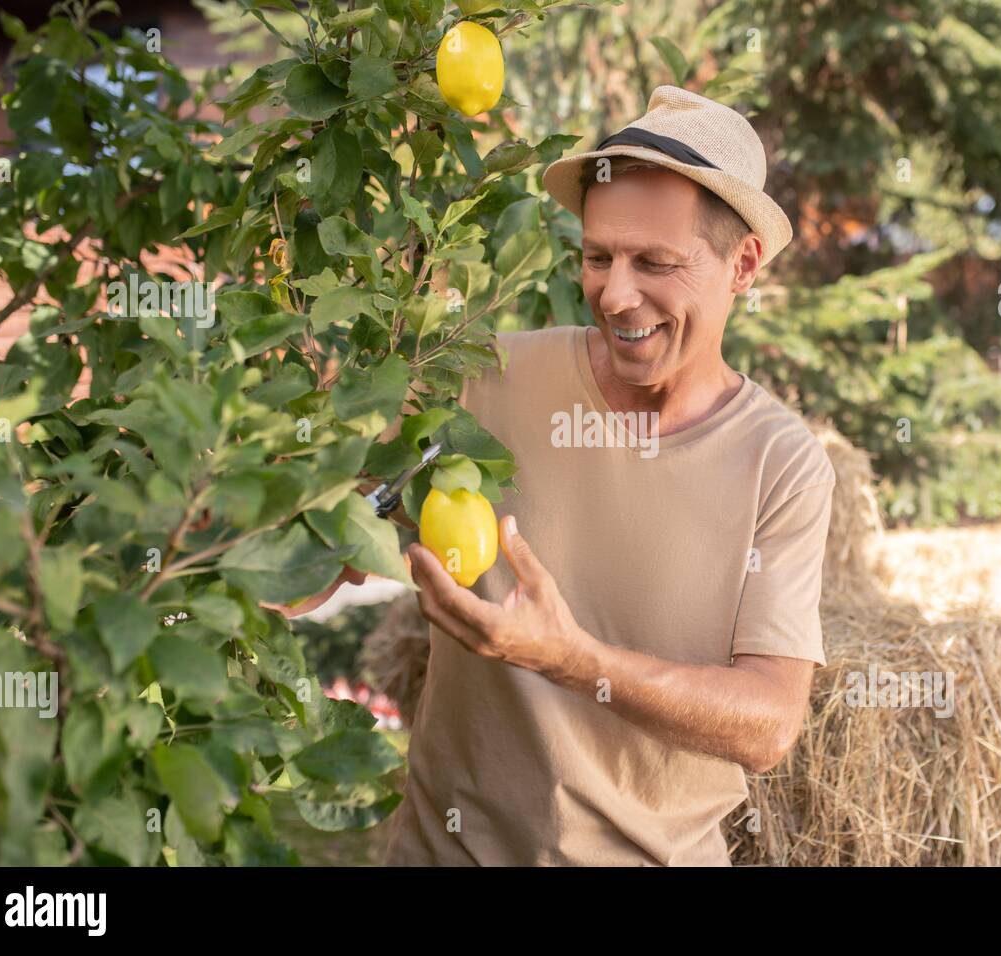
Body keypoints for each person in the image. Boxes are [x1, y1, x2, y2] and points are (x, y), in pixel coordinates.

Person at [309, 86, 836, 865]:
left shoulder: (781, 465)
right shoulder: (484, 379)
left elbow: (768, 725)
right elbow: (323, 552)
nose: (615, 294)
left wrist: (571, 660)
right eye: (597, 257)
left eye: (655, 262)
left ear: (743, 264)